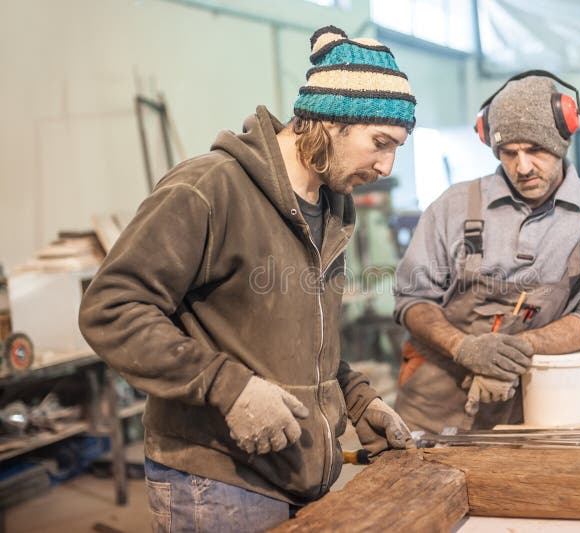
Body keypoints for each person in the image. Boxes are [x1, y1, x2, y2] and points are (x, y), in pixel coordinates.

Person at [79, 25, 416, 532]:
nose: (387, 166)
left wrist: (356, 398)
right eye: (380, 142)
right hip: (216, 483)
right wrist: (229, 389)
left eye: (396, 148)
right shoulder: (209, 189)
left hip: (298, 475)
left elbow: (300, 338)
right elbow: (111, 308)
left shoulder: (331, 208)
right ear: (331, 120)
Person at [392, 71, 580, 433]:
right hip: (431, 413)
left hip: (538, 410)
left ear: (563, 139)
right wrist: (463, 347)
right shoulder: (453, 206)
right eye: (509, 153)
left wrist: (515, 350)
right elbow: (413, 300)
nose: (522, 167)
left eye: (535, 150)